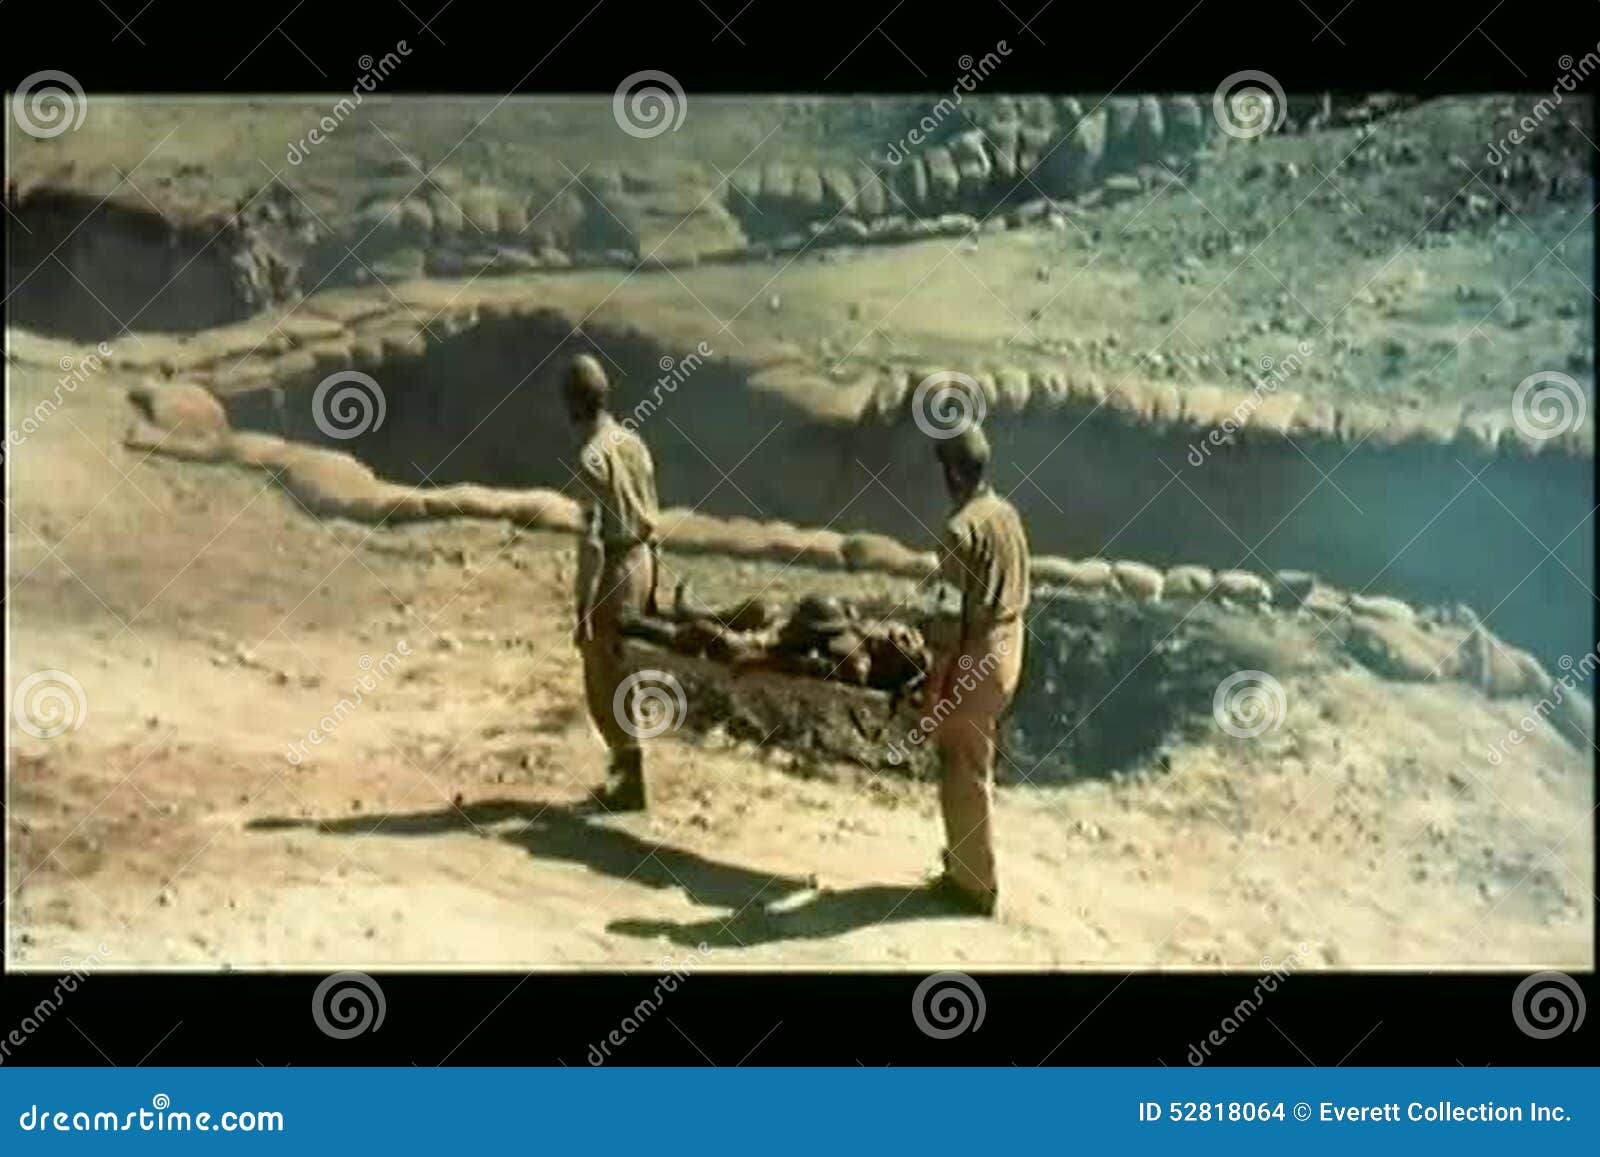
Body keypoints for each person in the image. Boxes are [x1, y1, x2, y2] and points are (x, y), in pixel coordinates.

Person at [923, 424, 1030, 916]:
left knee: (961, 768)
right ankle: (967, 869)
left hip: (976, 653)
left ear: (951, 472)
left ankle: (972, 885)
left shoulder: (958, 529)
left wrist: (935, 687)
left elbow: (947, 619)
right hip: (1011, 644)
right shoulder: (1006, 514)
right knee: (976, 760)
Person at [565, 353, 662, 812]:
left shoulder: (591, 458)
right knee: (629, 671)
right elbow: (654, 518)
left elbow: (592, 544)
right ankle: (631, 776)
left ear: (571, 405)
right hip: (645, 560)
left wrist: (583, 609)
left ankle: (628, 780)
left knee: (602, 674)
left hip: (617, 568)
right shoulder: (634, 442)